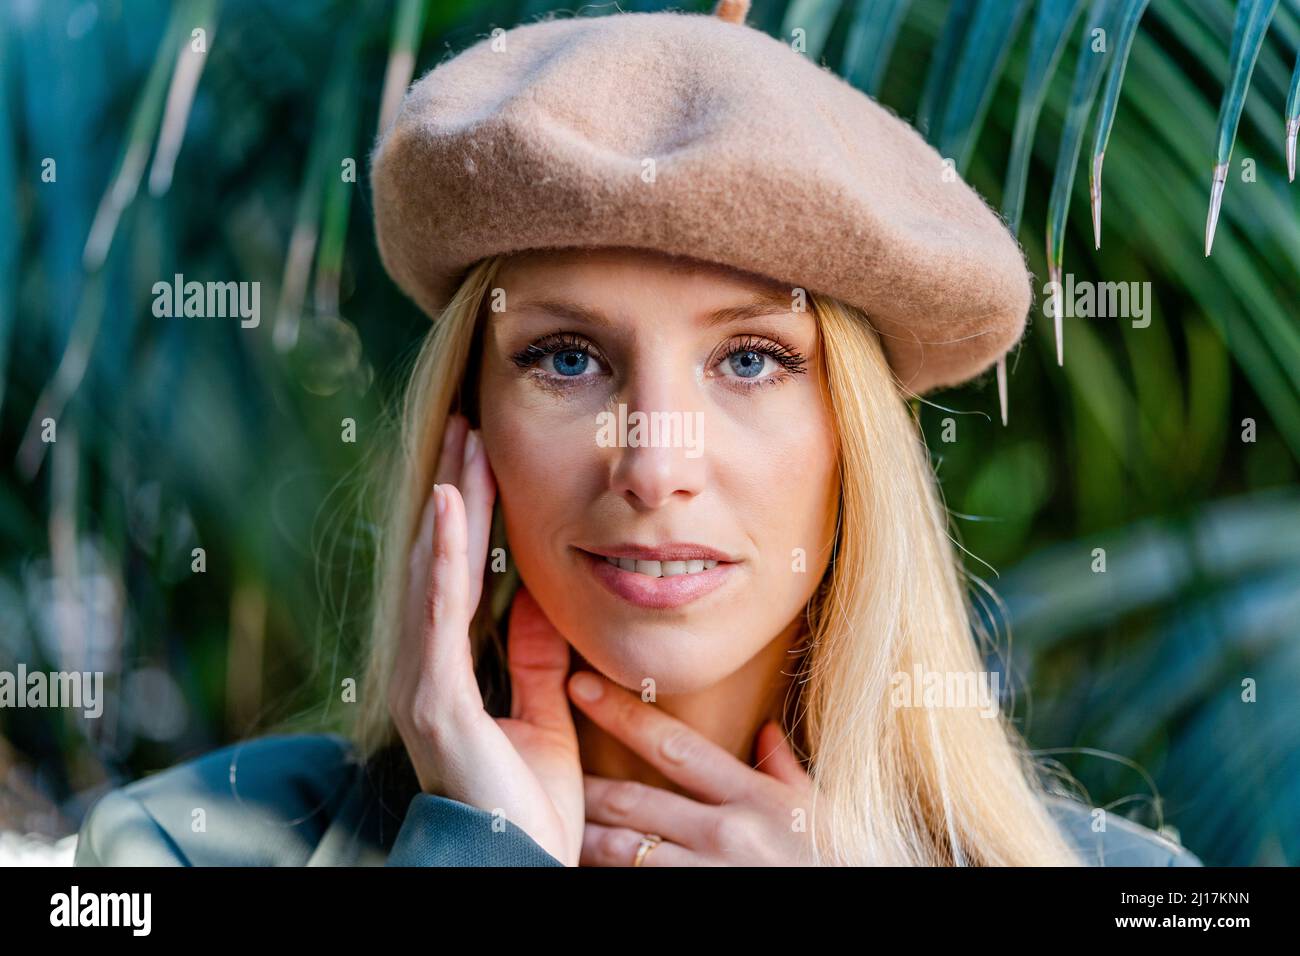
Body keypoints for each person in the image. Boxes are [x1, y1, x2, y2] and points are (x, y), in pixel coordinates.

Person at [74, 2, 1202, 867]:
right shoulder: (187, 845)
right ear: (467, 428)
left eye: (749, 359)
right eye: (567, 357)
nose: (654, 463)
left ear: (854, 442)